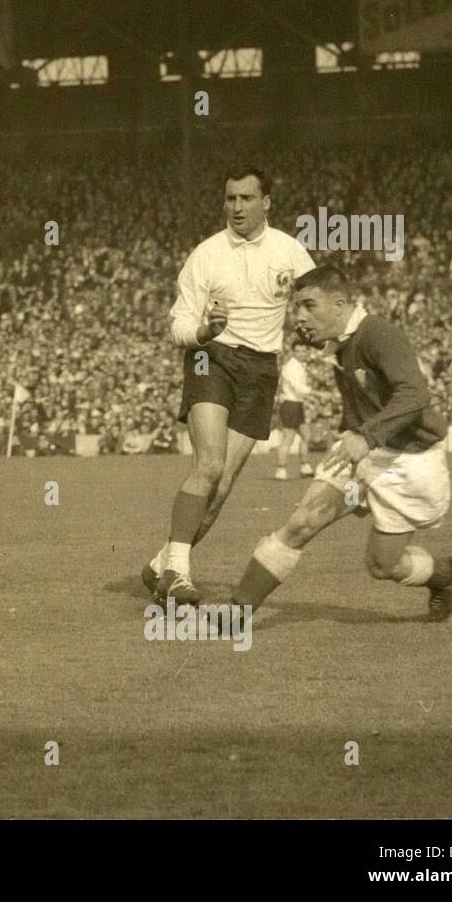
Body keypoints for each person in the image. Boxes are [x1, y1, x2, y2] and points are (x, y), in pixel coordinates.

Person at [221, 265, 452, 624]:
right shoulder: (339, 344)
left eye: (308, 305)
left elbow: (415, 394)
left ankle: (441, 576)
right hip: (363, 452)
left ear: (339, 303)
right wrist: (357, 437)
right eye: (296, 307)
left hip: (408, 463)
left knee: (382, 565)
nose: (300, 317)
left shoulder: (379, 334)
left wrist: (366, 435)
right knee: (302, 522)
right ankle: (236, 613)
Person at [141, 167, 315, 604]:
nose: (236, 207)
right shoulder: (206, 255)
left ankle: (162, 565)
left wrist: (315, 328)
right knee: (209, 465)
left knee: (218, 493)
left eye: (246, 198)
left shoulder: (290, 252)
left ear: (266, 202)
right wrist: (203, 331)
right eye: (230, 198)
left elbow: (315, 304)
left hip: (260, 370)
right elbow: (179, 323)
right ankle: (179, 574)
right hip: (211, 357)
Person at [274, 340, 316, 480]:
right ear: (293, 352)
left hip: (298, 405)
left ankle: (305, 467)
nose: (301, 354)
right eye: (298, 351)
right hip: (290, 404)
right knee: (288, 438)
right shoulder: (290, 367)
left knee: (306, 435)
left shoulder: (300, 366)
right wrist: (316, 393)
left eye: (303, 351)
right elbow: (299, 388)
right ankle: (281, 469)